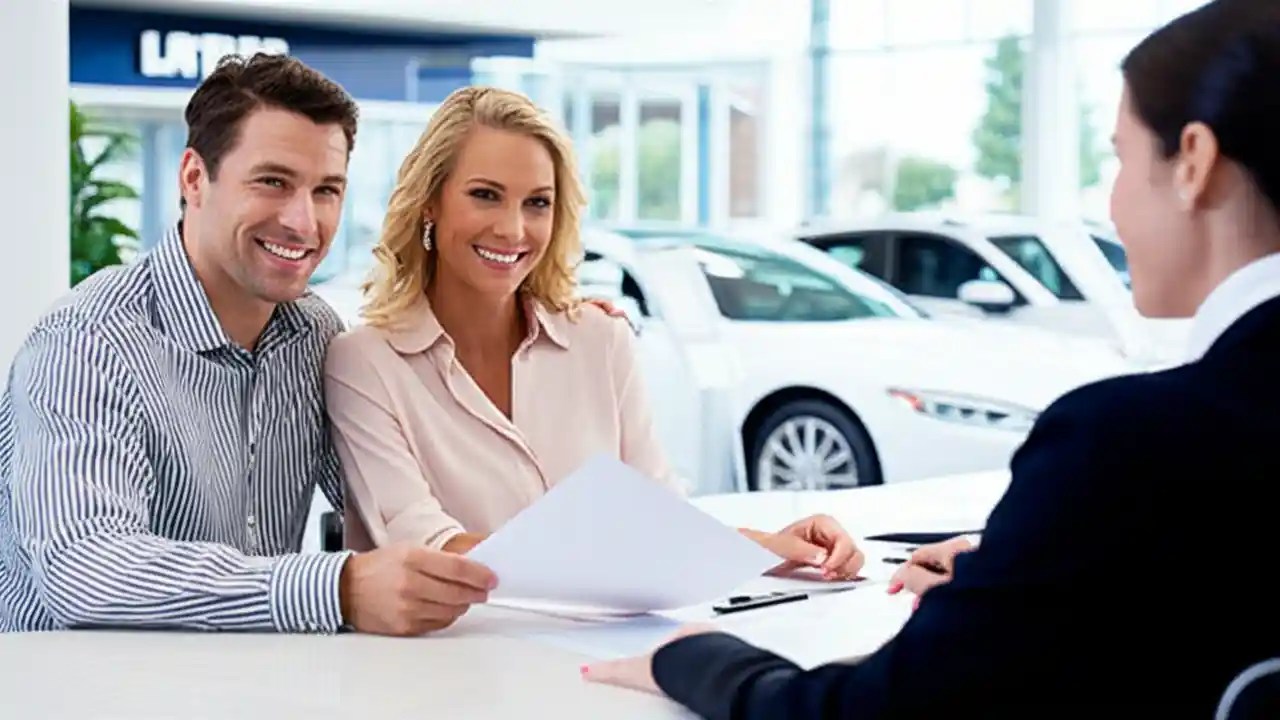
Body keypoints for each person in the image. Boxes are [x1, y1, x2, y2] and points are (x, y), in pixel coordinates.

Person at [583, 2, 1280, 715]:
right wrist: (1016, 577)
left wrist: (692, 655)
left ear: (1193, 162)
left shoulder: (1127, 442)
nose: (1113, 203)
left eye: (1121, 158)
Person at [0, 53, 495, 637]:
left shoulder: (314, 336)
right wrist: (334, 590)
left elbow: (400, 494)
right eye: (272, 182)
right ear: (193, 179)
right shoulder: (87, 344)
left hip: (253, 689)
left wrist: (540, 323)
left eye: (326, 190)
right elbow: (84, 570)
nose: (303, 222)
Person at [323, 86, 864, 580]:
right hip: (445, 669)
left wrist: (768, 550)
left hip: (600, 660)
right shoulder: (365, 362)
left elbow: (660, 518)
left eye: (537, 202)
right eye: (485, 195)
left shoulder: (600, 340)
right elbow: (425, 544)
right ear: (430, 204)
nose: (513, 229)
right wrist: (618, 559)